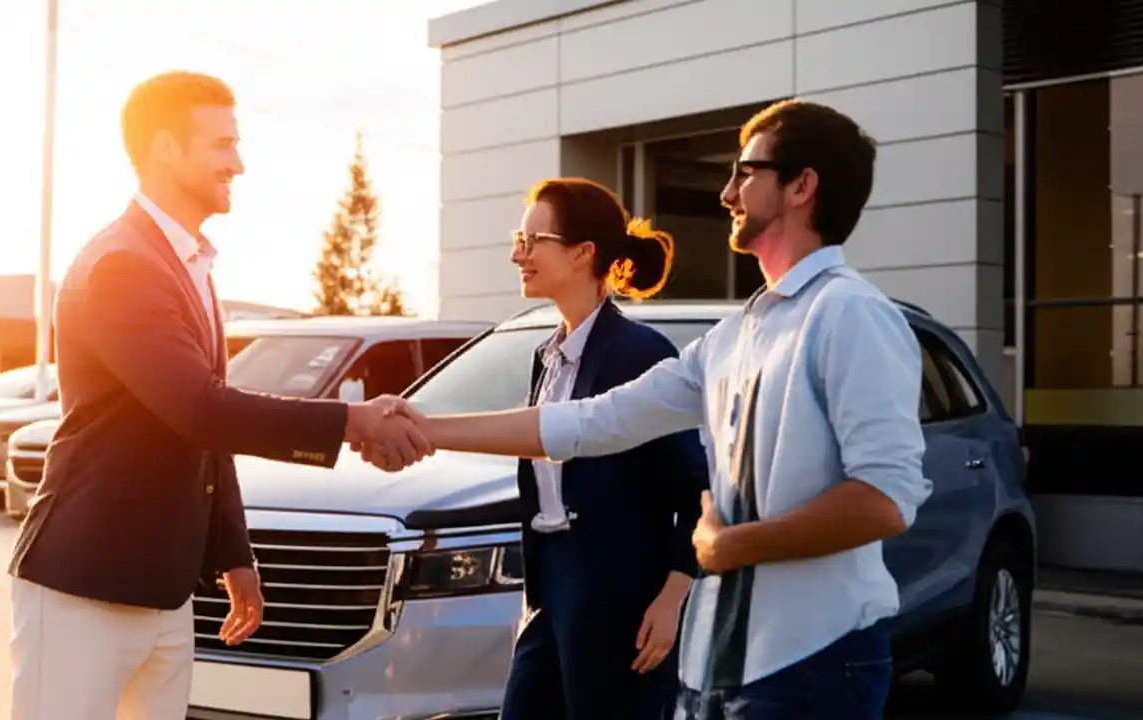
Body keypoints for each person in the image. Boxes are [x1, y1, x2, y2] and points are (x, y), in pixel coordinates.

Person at [367, 99, 932, 720]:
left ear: (803, 185)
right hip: (729, 661)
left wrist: (731, 546)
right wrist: (428, 428)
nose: (726, 193)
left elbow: (885, 497)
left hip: (817, 664)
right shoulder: (738, 333)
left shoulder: (852, 314)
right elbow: (591, 422)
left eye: (744, 172)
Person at [5, 71, 430, 720]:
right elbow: (200, 408)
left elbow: (205, 425)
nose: (239, 162)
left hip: (166, 589)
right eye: (222, 145)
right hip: (83, 583)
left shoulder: (190, 263)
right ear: (164, 150)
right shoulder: (120, 264)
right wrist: (352, 420)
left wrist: (235, 555)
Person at [491, 178, 709, 719]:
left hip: (619, 592)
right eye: (519, 238)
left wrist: (672, 597)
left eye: (532, 239)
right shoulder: (547, 356)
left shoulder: (638, 353)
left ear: (583, 252)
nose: (518, 253)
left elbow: (697, 485)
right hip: (551, 586)